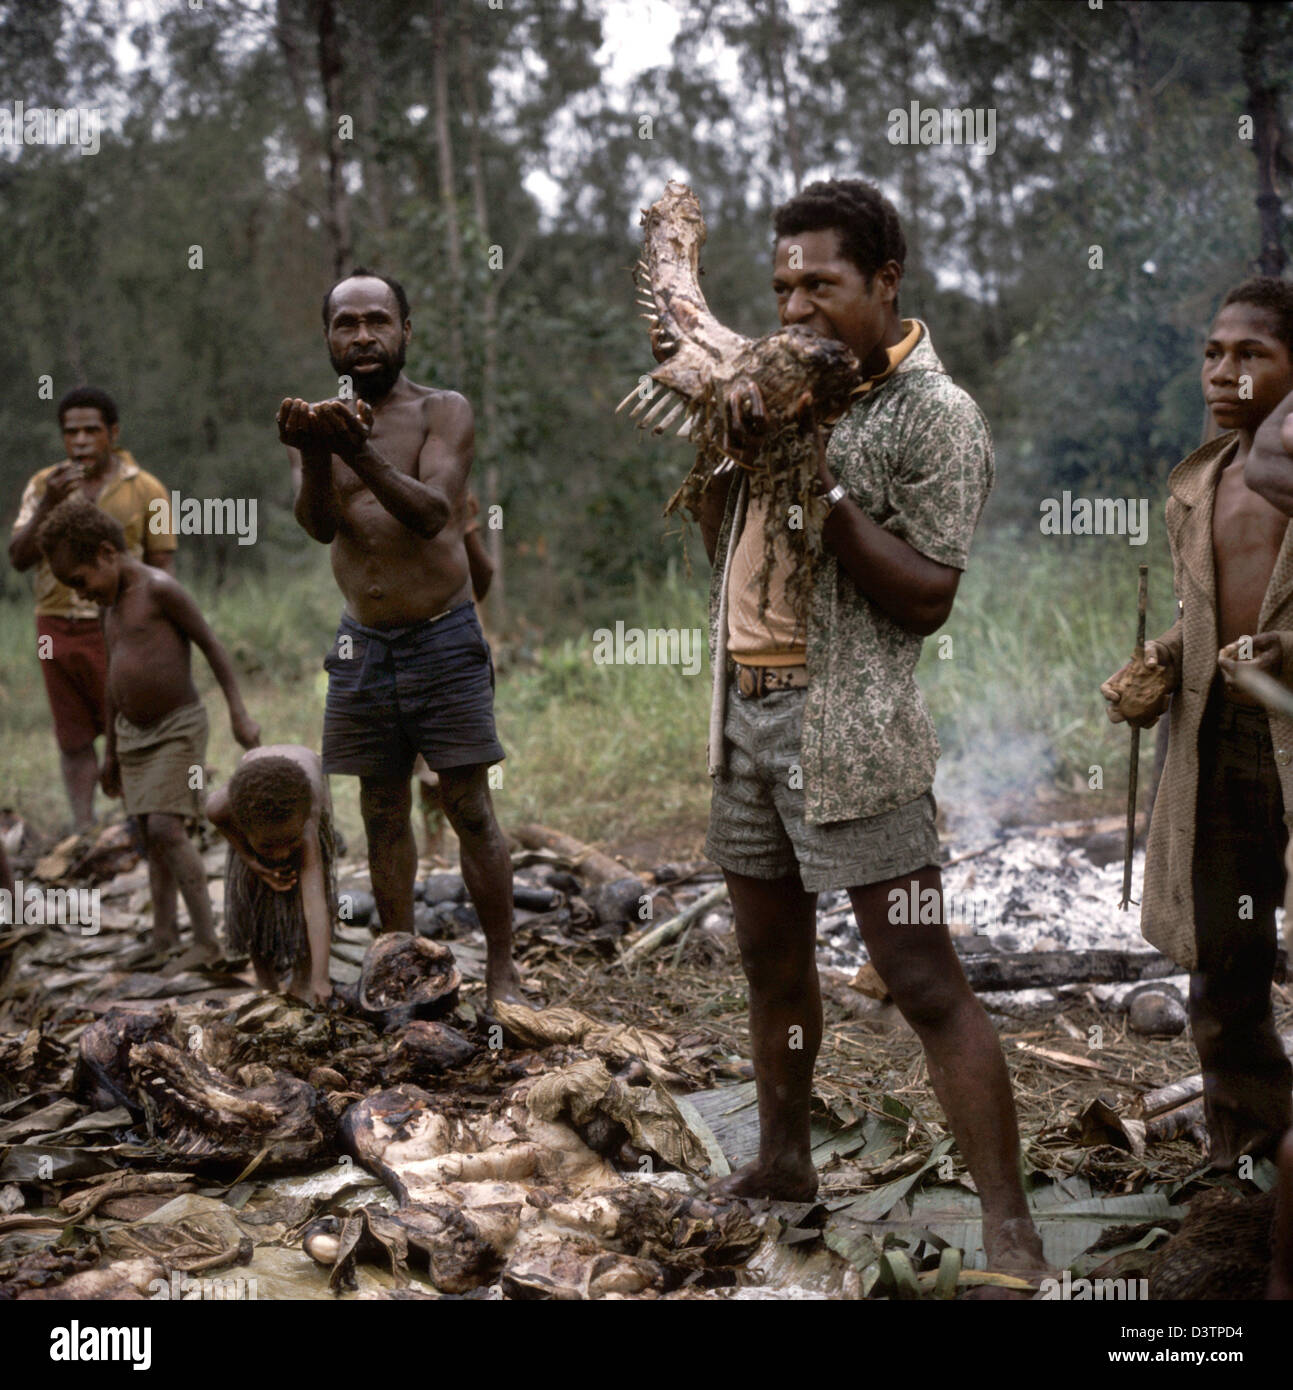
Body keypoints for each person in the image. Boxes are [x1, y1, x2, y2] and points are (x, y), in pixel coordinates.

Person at [684, 178, 1045, 1276]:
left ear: (885, 282)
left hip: (853, 732)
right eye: (783, 283)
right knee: (772, 966)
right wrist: (735, 445)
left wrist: (817, 477)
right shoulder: (773, 379)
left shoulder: (934, 414)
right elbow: (724, 540)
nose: (794, 306)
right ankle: (787, 1162)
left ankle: (1012, 1229)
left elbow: (928, 594)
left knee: (925, 979)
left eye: (822, 284)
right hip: (744, 713)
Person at [279, 268, 522, 1002]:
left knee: (468, 803)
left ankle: (504, 973)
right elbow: (319, 525)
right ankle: (400, 967)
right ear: (327, 337)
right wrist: (319, 449)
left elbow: (431, 514)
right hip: (361, 642)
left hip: (442, 633)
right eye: (345, 324)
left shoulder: (443, 411)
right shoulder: (312, 425)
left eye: (376, 321)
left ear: (405, 331)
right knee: (380, 807)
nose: (361, 336)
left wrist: (355, 450)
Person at [1104, 278, 1293, 1170]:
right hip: (1221, 738)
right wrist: (1164, 659)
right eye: (1213, 353)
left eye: (1251, 354)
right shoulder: (1200, 482)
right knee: (1222, 962)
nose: (1223, 372)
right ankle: (1248, 1154)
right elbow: (1209, 613)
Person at [37, 496, 259, 960]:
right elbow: (113, 682)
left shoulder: (160, 590)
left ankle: (206, 940)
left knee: (167, 829)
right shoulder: (108, 606)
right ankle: (163, 938)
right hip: (133, 736)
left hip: (177, 728)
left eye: (80, 582)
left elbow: (211, 646)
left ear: (106, 553)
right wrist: (112, 752)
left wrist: (239, 712)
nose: (80, 594)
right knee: (148, 834)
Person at [8, 387, 177, 830]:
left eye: (91, 430)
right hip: (54, 627)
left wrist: (160, 630)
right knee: (72, 735)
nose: (80, 441)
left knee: (129, 723)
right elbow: (18, 557)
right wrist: (48, 503)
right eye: (71, 432)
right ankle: (85, 830)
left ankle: (139, 824)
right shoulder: (43, 486)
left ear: (113, 433)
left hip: (120, 623)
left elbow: (162, 564)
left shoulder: (147, 488)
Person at [207, 746, 335, 1004]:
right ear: (242, 824)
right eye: (268, 846)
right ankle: (265, 982)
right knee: (252, 903)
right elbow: (215, 817)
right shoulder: (223, 806)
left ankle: (304, 977)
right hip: (255, 794)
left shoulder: (306, 820)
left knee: (301, 906)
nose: (281, 855)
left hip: (307, 778)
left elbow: (315, 904)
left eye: (290, 841)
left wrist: (321, 978)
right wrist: (251, 860)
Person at [416, 491, 495, 859]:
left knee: (454, 766)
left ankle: (452, 850)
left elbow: (484, 575)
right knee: (436, 765)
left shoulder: (450, 504)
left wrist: (465, 525)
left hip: (452, 652)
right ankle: (439, 850)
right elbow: (486, 574)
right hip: (441, 651)